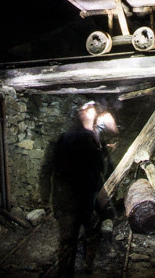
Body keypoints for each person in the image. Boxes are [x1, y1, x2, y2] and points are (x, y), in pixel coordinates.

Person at [53, 100, 118, 275]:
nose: (91, 114)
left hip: (74, 195)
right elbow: (96, 167)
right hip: (79, 194)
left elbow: (55, 167)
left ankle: (72, 269)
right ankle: (80, 267)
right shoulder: (84, 138)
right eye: (88, 112)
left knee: (73, 236)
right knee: (78, 234)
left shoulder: (72, 137)